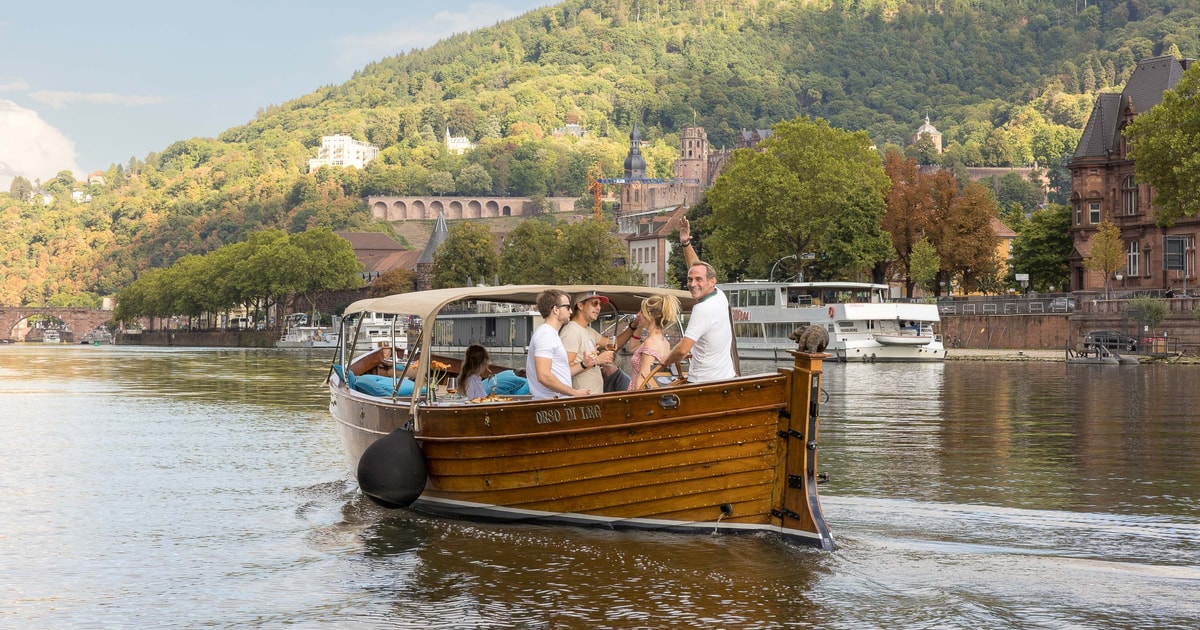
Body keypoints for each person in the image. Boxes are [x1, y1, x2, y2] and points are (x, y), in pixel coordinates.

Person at [661, 216, 737, 382]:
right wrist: (685, 243)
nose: (692, 284)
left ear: (711, 282)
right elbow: (696, 267)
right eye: (689, 279)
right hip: (726, 378)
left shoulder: (702, 309)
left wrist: (666, 360)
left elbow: (682, 350)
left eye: (698, 280)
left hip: (704, 382)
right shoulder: (719, 294)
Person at [560, 290, 638, 393]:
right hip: (581, 398)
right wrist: (597, 361)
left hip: (594, 397)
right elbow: (565, 371)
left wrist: (633, 326)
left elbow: (614, 344)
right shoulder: (571, 332)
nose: (599, 307)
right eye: (594, 303)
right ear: (580, 306)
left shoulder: (589, 331)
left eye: (600, 304)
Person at [527, 289, 590, 399]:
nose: (571, 312)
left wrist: (584, 364)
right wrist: (574, 392)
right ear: (556, 310)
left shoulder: (550, 334)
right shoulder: (545, 335)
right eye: (567, 307)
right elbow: (543, 376)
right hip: (550, 405)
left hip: (556, 404)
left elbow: (561, 373)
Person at [627, 294, 680, 389]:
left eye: (641, 312)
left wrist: (634, 400)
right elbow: (632, 349)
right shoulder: (664, 342)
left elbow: (643, 379)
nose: (638, 315)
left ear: (650, 316)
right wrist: (640, 325)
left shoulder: (650, 343)